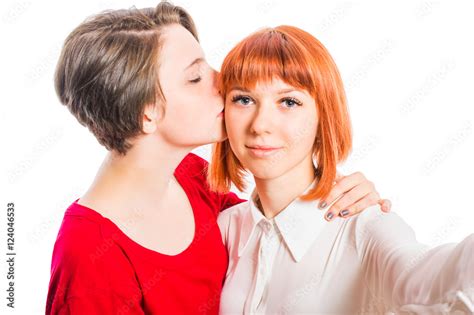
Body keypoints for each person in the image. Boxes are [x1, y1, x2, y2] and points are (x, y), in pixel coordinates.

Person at [46, 3, 392, 314]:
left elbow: (271, 233)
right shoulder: (88, 256)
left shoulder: (194, 177)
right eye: (195, 77)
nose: (222, 82)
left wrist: (341, 196)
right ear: (146, 113)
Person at [212, 25, 474, 314]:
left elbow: (431, 279)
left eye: (289, 102)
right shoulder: (224, 228)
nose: (260, 125)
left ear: (323, 116)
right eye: (244, 99)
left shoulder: (365, 226)